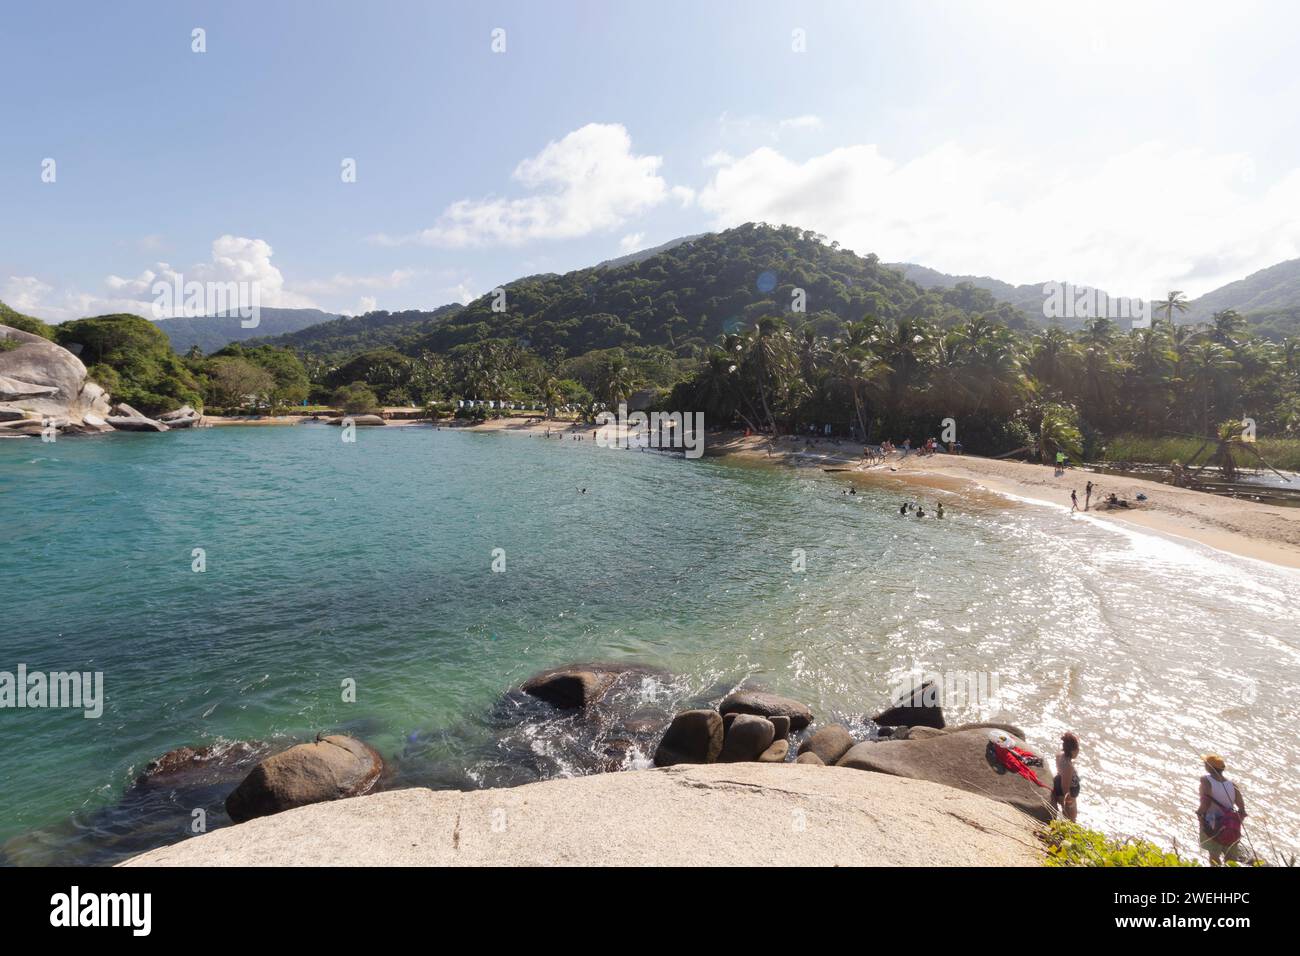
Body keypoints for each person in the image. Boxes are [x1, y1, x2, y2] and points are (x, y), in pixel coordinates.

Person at [1197, 754, 1248, 865]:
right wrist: (1235, 823)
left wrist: (1199, 814)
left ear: (1209, 767)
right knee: (1230, 858)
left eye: (1206, 763)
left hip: (1212, 823)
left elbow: (1206, 802)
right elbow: (1242, 809)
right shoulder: (1232, 785)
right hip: (1231, 825)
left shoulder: (1206, 780)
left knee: (1214, 856)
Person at [1051, 733, 1081, 822]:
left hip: (1059, 781)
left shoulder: (1059, 754)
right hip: (1068, 793)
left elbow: (1060, 772)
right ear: (1072, 751)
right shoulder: (1068, 766)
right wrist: (1069, 802)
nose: (1078, 751)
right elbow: (1065, 786)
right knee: (1071, 818)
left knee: (1067, 815)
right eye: (1077, 749)